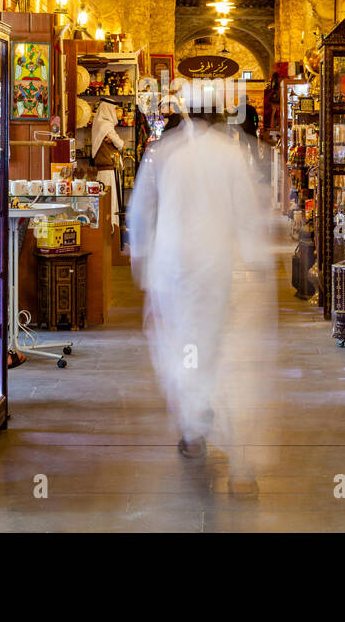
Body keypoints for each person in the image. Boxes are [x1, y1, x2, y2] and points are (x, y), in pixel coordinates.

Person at [128, 89, 270, 458]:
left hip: (171, 264)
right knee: (206, 337)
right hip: (213, 265)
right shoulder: (230, 155)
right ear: (219, 116)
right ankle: (198, 407)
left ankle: (192, 417)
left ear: (189, 113)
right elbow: (246, 211)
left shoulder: (166, 152)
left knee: (178, 339)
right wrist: (256, 258)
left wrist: (141, 258)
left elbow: (140, 209)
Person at [91, 99, 126, 229]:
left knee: (109, 203)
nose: (116, 112)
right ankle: (111, 232)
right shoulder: (104, 126)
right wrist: (115, 142)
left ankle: (112, 233)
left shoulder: (102, 125)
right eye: (115, 109)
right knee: (110, 204)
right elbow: (120, 143)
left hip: (108, 171)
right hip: (108, 172)